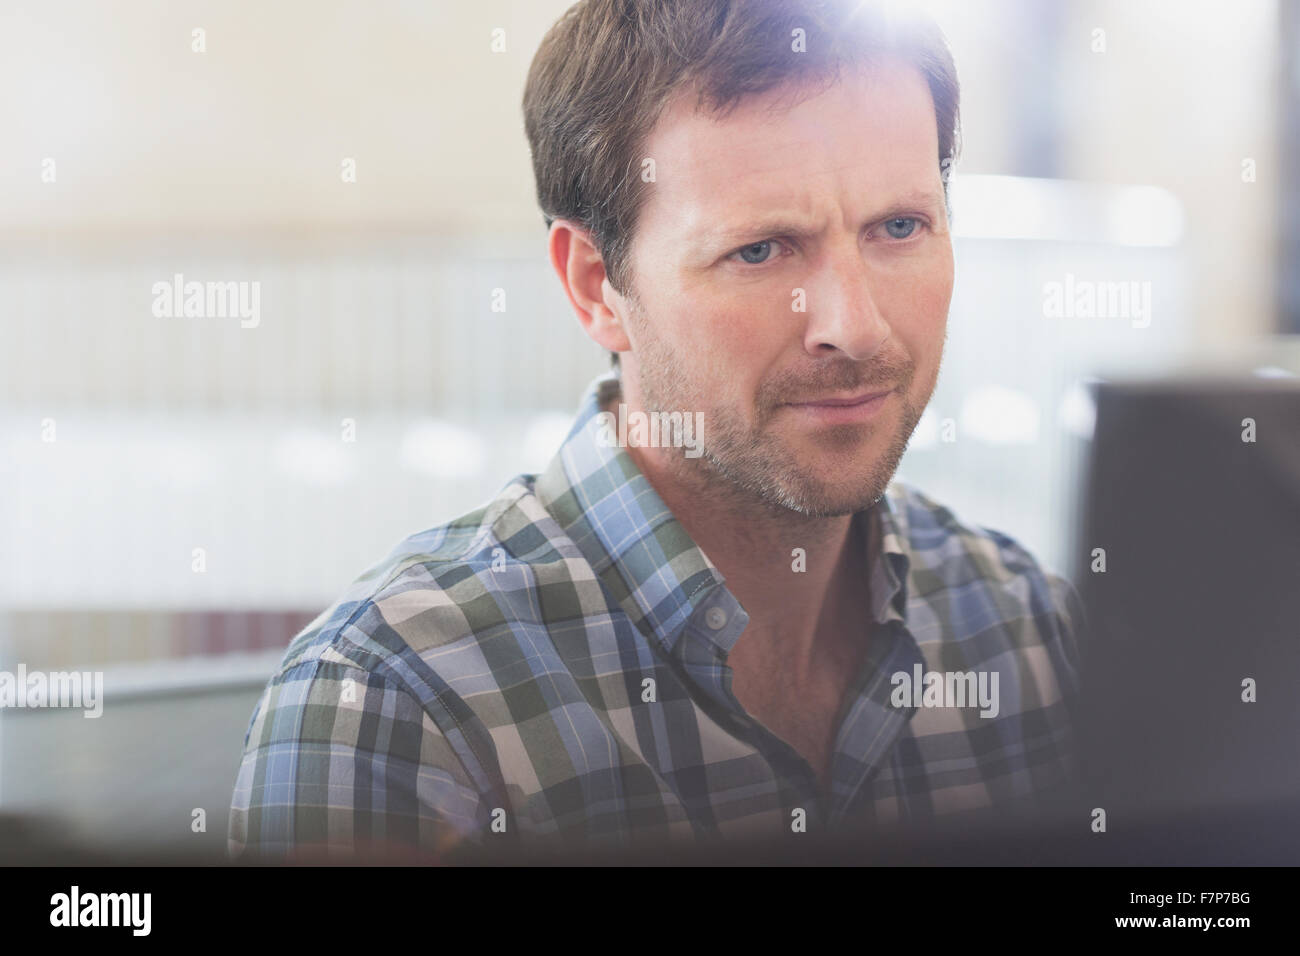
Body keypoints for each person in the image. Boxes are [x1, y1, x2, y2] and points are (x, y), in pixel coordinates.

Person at [229, 0, 1083, 861]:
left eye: (900, 227)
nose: (855, 327)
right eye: (762, 250)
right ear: (598, 285)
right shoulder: (398, 710)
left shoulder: (1029, 631)